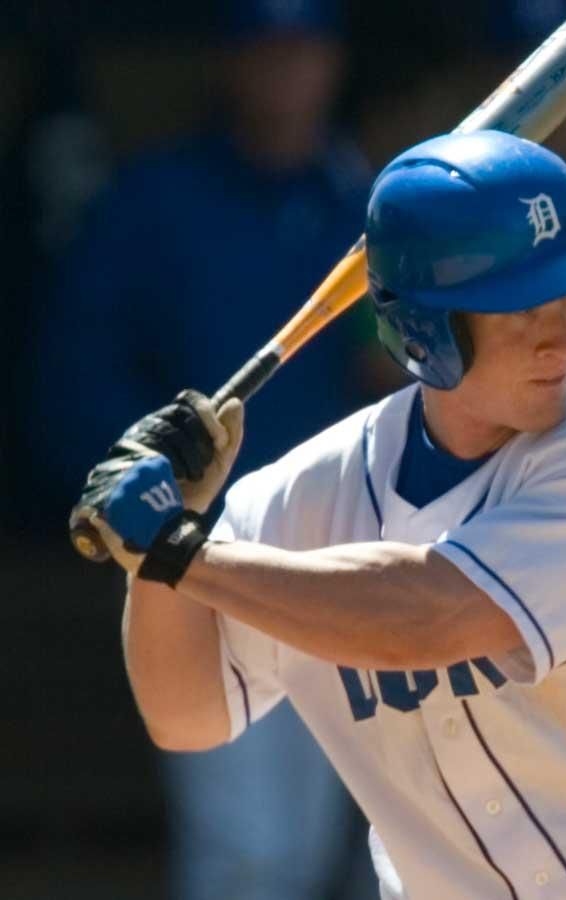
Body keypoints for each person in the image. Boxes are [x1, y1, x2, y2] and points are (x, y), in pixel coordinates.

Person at [79, 130, 566, 899]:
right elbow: (187, 714)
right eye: (522, 308)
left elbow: (429, 614)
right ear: (424, 330)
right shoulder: (311, 493)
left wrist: (186, 553)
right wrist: (161, 558)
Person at [29, 2, 376, 897]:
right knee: (245, 852)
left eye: (303, 49)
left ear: (333, 61)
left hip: (332, 548)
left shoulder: (359, 197)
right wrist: (139, 493)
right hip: (202, 551)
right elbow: (80, 362)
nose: (287, 72)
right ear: (229, 62)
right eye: (266, 50)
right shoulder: (153, 201)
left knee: (320, 847)